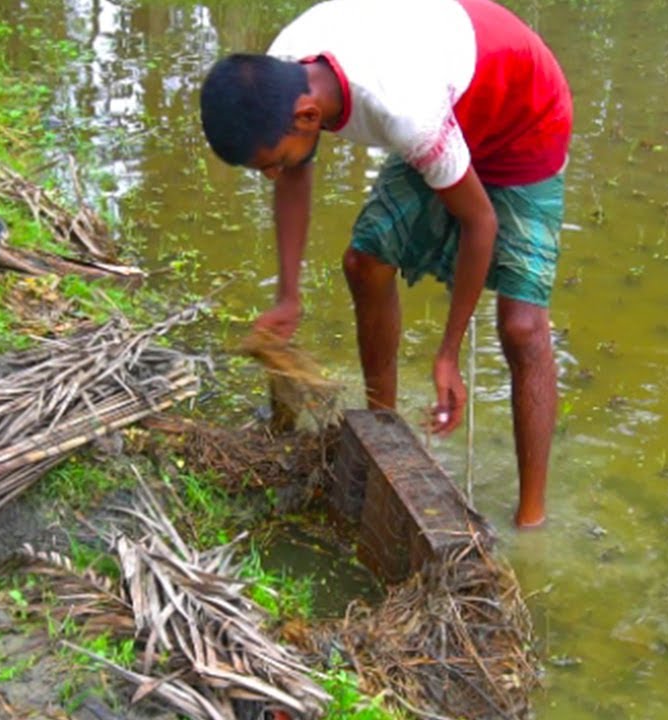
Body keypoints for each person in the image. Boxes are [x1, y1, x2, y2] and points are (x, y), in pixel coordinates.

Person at [199, 0, 572, 528]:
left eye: (271, 162)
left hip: (523, 111)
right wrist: (288, 295)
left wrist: (448, 354)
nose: (272, 176)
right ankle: (384, 431)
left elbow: (480, 224)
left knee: (522, 326)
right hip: (448, 90)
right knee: (364, 261)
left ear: (308, 116)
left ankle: (531, 520)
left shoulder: (403, 110)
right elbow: (295, 171)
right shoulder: (284, 67)